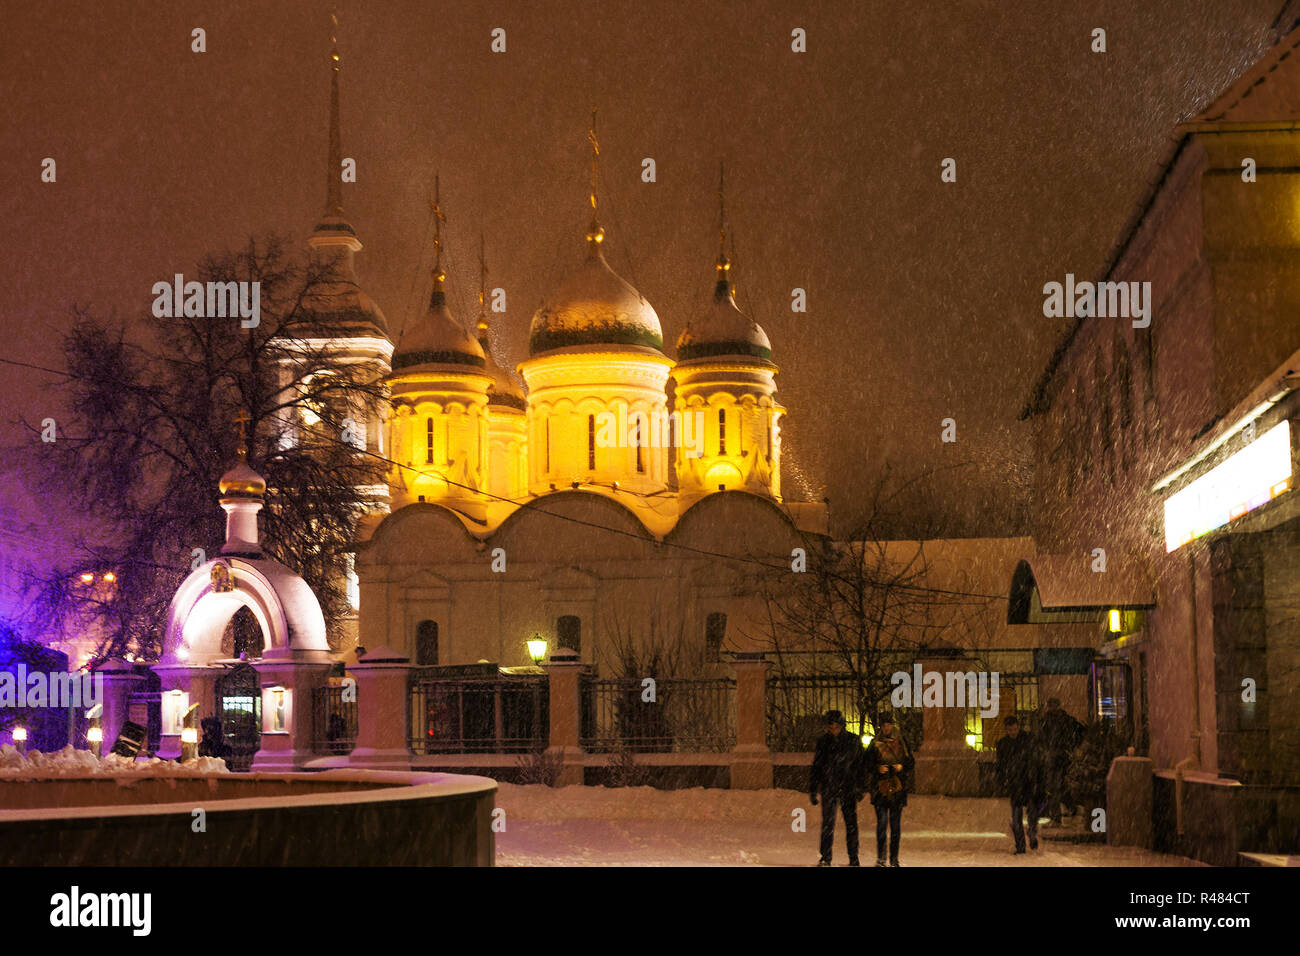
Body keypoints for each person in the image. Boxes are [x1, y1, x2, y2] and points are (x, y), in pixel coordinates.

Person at [809, 709, 867, 866]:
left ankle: (853, 857)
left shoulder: (853, 741)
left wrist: (860, 787)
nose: (833, 730)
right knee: (828, 824)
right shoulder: (824, 742)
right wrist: (813, 789)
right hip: (829, 787)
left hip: (847, 787)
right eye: (831, 727)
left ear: (842, 725)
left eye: (836, 726)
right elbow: (817, 767)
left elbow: (861, 766)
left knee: (851, 824)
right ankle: (826, 857)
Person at [864, 711, 914, 867]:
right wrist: (877, 768)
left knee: (895, 826)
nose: (886, 727)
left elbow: (911, 763)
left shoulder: (902, 742)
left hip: (897, 788)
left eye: (888, 724)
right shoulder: (874, 743)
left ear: (892, 725)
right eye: (884, 725)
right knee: (882, 825)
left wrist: (901, 766)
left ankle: (893, 858)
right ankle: (881, 858)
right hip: (881, 788)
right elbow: (866, 764)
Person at [995, 715, 1045, 854]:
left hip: (1027, 782)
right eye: (1010, 730)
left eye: (1015, 729)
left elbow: (1037, 761)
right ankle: (1021, 845)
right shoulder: (1004, 744)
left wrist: (1038, 778)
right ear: (1006, 730)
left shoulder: (1027, 740)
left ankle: (1031, 834)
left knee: (1031, 813)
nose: (1013, 732)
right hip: (1016, 783)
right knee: (1018, 817)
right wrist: (1002, 781)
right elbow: (1000, 765)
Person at [1038, 697, 1083, 824]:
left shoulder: (1048, 721)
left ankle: (1057, 816)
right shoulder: (1064, 719)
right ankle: (1070, 808)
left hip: (1055, 756)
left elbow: (1042, 738)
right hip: (1060, 756)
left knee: (1054, 786)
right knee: (1059, 786)